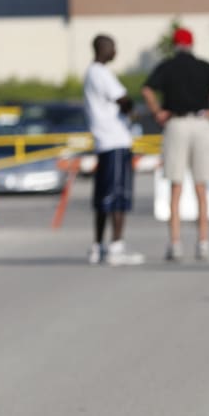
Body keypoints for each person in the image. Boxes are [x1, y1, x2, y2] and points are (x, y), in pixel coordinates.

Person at [141, 27, 209, 262]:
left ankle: (175, 243)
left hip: (176, 123)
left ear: (175, 45)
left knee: (176, 188)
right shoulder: (203, 66)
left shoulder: (167, 66)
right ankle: (203, 242)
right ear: (192, 45)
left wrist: (157, 112)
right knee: (201, 188)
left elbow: (147, 89)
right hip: (201, 123)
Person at [83, 34, 143, 266]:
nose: (115, 51)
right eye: (113, 47)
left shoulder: (91, 73)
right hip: (114, 140)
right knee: (117, 197)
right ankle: (116, 247)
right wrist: (131, 111)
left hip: (103, 141)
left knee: (102, 198)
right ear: (103, 49)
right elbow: (123, 99)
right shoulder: (101, 73)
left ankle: (97, 246)